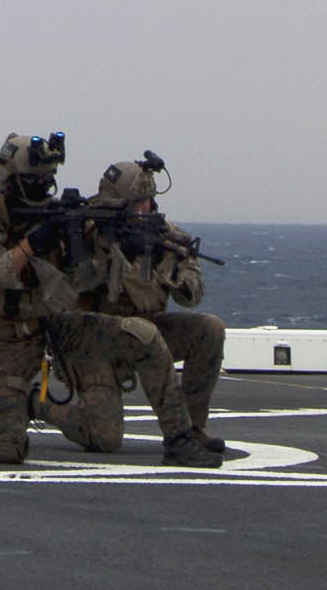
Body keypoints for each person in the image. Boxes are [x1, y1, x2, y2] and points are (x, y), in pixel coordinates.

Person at [0, 131, 98, 469]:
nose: (43, 184)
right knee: (7, 451)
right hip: (11, 333)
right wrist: (33, 244)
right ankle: (29, 401)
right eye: (33, 178)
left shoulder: (55, 214)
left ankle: (183, 434)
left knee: (141, 339)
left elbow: (88, 281)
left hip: (59, 323)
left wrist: (97, 239)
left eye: (48, 178)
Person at [89, 154, 227, 467]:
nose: (144, 210)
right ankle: (40, 406)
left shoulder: (163, 233)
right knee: (102, 439)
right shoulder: (87, 232)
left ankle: (189, 431)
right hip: (94, 342)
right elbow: (71, 287)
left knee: (210, 329)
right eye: (136, 203)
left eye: (148, 202)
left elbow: (192, 295)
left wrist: (168, 267)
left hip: (144, 334)